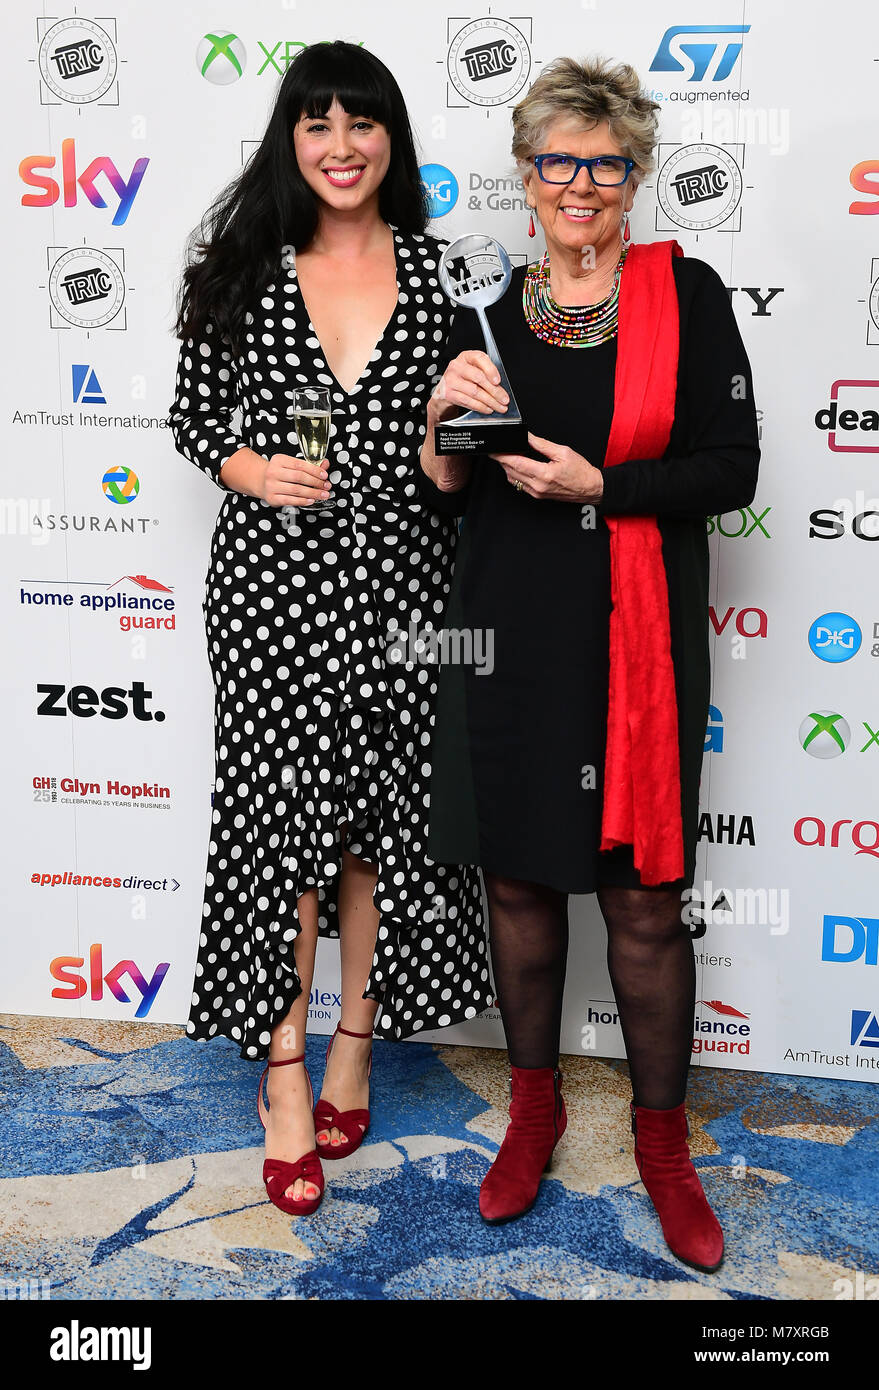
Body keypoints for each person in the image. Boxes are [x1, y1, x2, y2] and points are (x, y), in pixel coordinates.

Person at [417, 55, 760, 1272]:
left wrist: (602, 487)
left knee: (641, 902)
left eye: (603, 163)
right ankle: (534, 1113)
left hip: (636, 642)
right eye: (556, 159)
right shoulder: (486, 315)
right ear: (526, 174)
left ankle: (665, 1150)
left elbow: (732, 471)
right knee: (516, 884)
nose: (579, 182)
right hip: (509, 632)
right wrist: (438, 433)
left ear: (633, 176)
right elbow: (453, 498)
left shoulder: (690, 292)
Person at [167, 41, 493, 1218]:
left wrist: (441, 449)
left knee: (379, 826)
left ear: (392, 140)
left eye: (362, 123)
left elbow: (449, 471)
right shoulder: (242, 268)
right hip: (268, 593)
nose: (341, 145)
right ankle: (288, 1071)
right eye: (317, 124)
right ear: (289, 141)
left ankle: (356, 1038)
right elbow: (195, 418)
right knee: (279, 833)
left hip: (407, 594)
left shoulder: (444, 277)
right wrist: (251, 468)